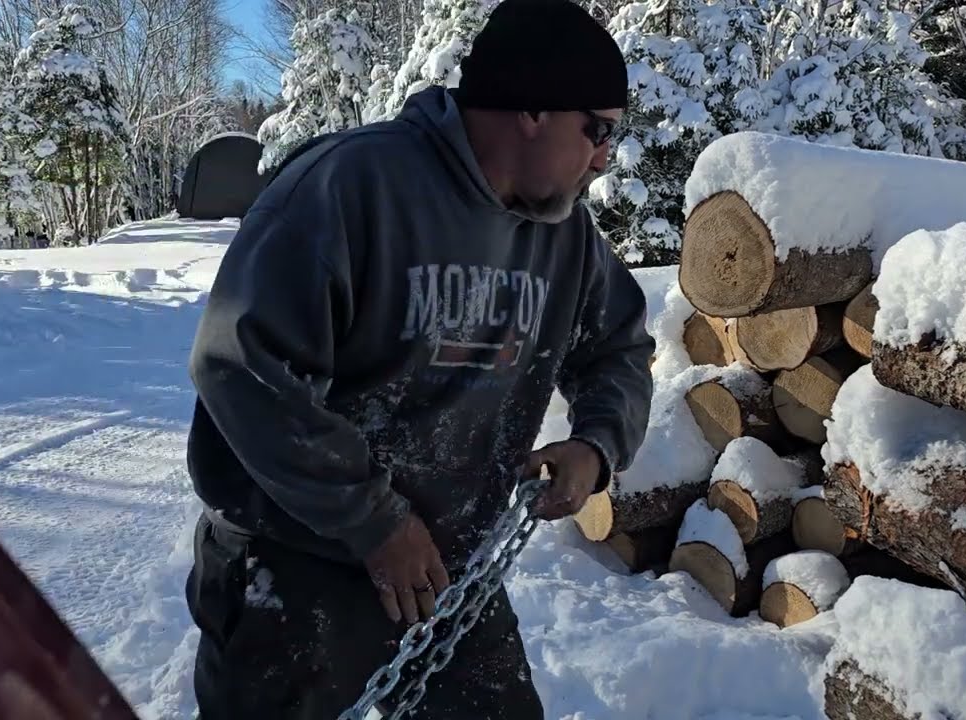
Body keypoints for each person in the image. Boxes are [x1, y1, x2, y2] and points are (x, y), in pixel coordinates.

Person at [180, 0, 655, 717]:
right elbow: (242, 364)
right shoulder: (350, 187)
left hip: (447, 569)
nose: (603, 157)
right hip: (293, 565)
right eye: (598, 130)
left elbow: (620, 346)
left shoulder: (566, 236)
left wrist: (597, 443)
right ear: (533, 109)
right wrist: (373, 520)